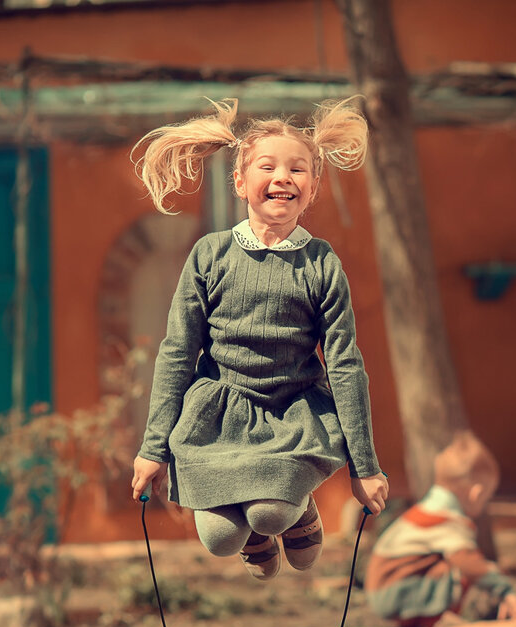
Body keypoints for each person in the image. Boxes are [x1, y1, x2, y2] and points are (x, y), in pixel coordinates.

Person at [129, 97, 388, 579]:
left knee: (270, 512)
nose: (283, 177)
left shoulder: (321, 263)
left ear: (313, 187)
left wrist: (364, 466)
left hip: (292, 414)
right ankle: (253, 531)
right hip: (219, 415)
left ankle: (293, 511)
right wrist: (152, 449)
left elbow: (345, 364)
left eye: (298, 169)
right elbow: (178, 353)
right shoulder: (210, 254)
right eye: (267, 166)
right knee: (220, 539)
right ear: (241, 183)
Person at [364, 431, 516, 627]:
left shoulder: (428, 510)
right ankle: (435, 621)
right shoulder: (446, 519)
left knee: (454, 564)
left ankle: (428, 620)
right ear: (477, 494)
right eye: (486, 498)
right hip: (393, 592)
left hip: (384, 590)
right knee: (461, 568)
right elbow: (468, 561)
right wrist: (504, 589)